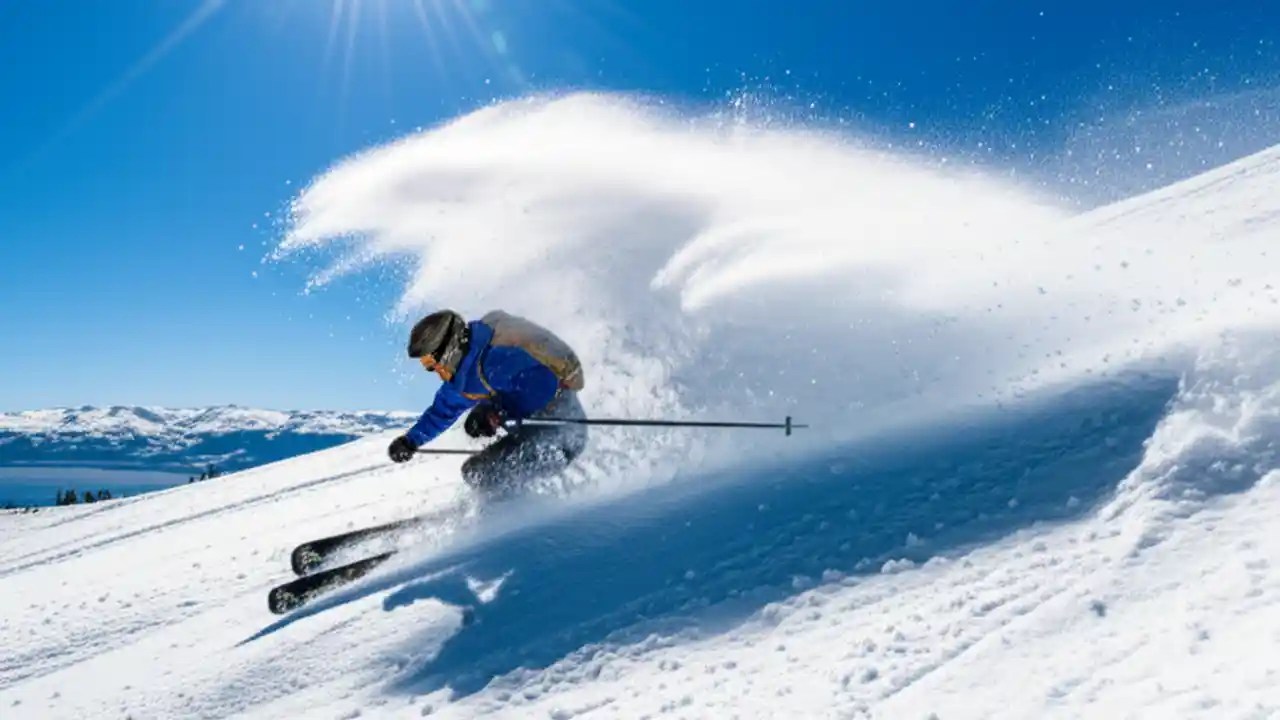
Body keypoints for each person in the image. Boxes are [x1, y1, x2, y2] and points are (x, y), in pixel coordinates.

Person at [387, 309, 588, 491]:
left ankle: (518, 519)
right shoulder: (464, 376)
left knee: (483, 473)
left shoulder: (494, 361)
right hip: (536, 432)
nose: (432, 369)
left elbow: (544, 384)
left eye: (431, 361)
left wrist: (497, 411)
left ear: (450, 349)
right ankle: (512, 512)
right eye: (426, 364)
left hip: (561, 433)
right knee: (475, 471)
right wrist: (410, 440)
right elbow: (442, 411)